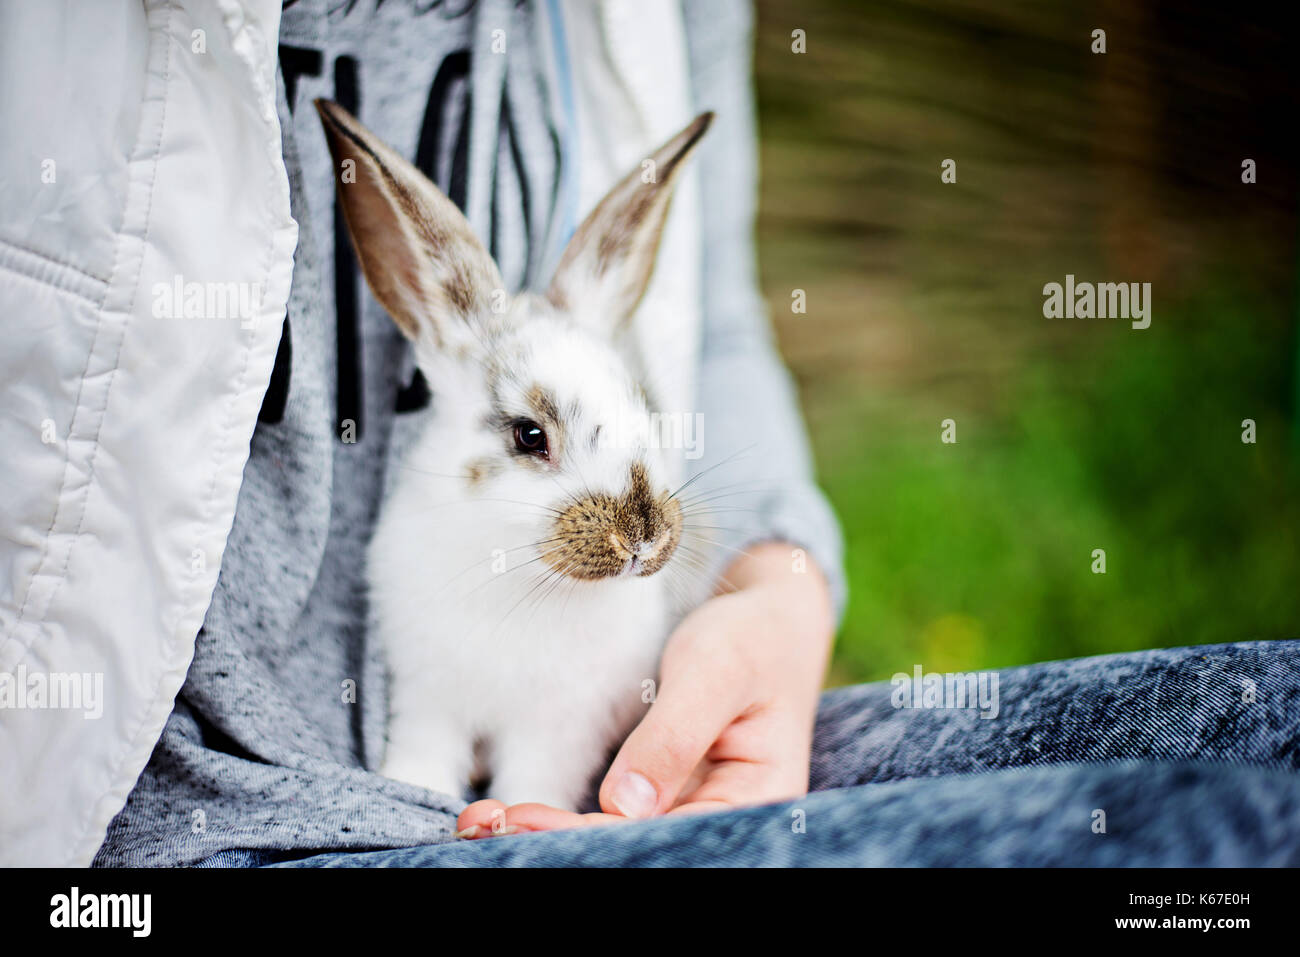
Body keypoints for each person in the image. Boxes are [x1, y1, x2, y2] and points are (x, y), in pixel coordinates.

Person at [1, 0, 1295, 868]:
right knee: (1204, 835)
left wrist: (778, 586)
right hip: (196, 816)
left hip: (583, 782)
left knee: (1265, 725)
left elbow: (711, 307)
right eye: (537, 441)